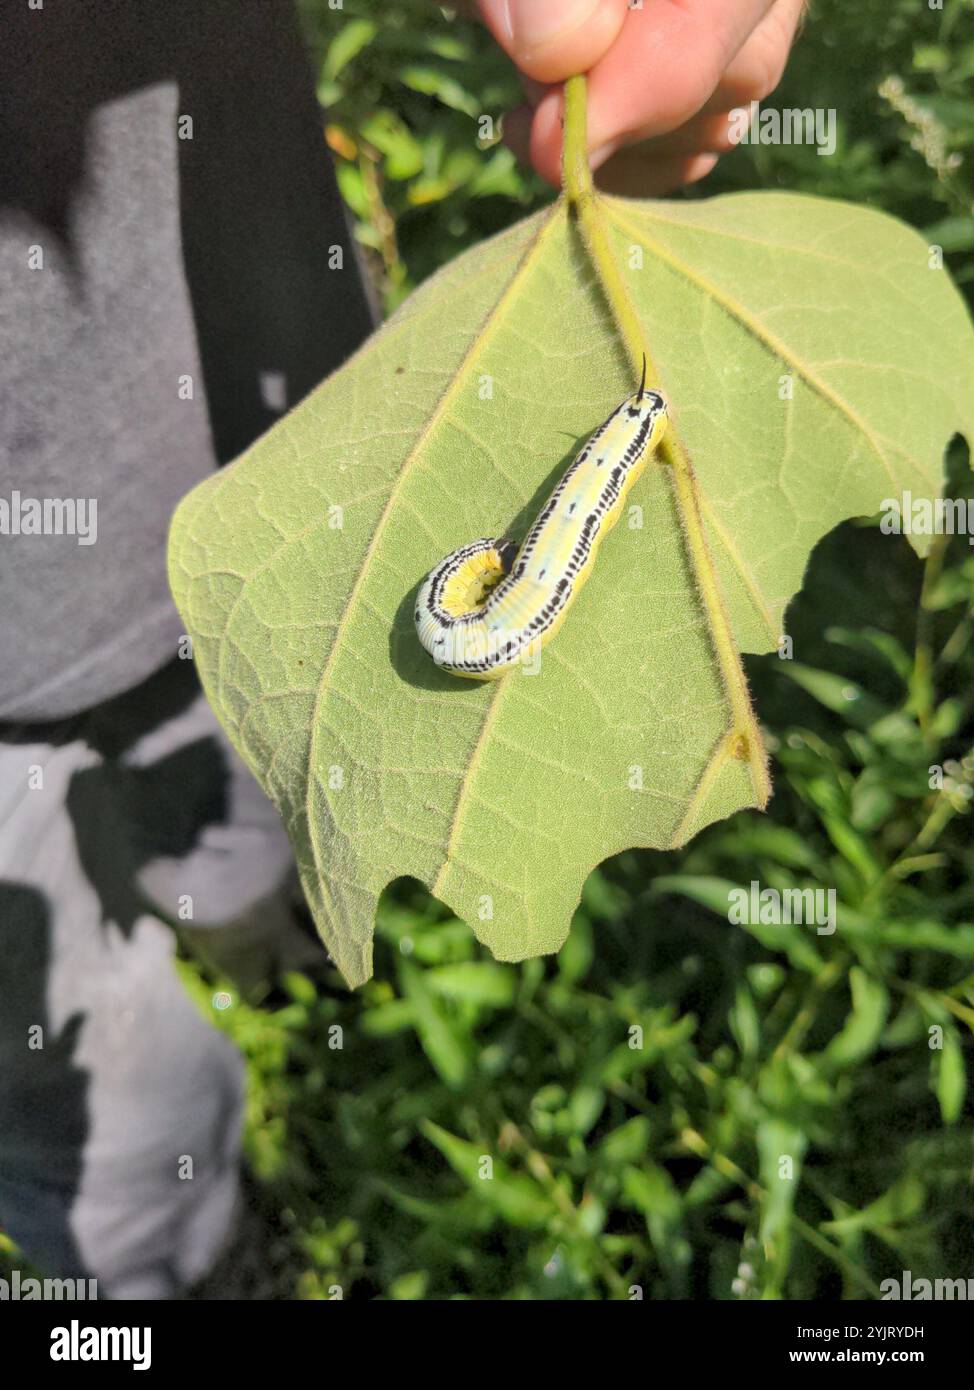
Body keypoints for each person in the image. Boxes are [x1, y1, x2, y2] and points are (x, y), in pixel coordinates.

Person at [0, 0, 802, 1298]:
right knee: (61, 1053)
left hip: (264, 472)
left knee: (261, 800)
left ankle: (273, 942)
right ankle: (175, 1258)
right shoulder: (472, 588)